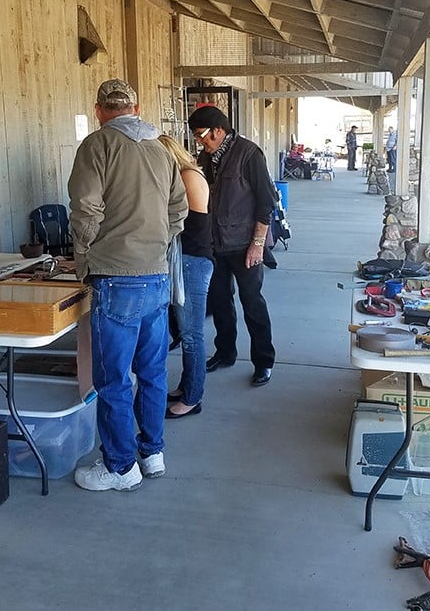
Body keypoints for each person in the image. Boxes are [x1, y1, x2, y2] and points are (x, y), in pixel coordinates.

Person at [68, 79, 188, 491]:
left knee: (114, 378)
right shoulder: (160, 148)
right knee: (152, 371)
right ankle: (152, 452)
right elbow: (179, 208)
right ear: (135, 108)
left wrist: (84, 255)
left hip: (116, 277)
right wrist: (156, 243)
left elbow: (85, 207)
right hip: (156, 276)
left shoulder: (97, 145)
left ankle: (120, 467)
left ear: (100, 110)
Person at [187, 105, 276, 387]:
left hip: (244, 245)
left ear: (218, 130)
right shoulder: (205, 157)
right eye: (196, 137)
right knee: (220, 303)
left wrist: (257, 245)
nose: (199, 141)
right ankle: (225, 353)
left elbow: (266, 203)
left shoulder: (249, 154)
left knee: (252, 303)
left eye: (202, 135)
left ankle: (263, 361)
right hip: (214, 246)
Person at [157, 134, 213, 418]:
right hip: (186, 260)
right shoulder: (181, 176)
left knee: (192, 335)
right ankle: (186, 386)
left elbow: (188, 224)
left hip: (191, 261)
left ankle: (193, 398)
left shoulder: (188, 177)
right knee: (185, 330)